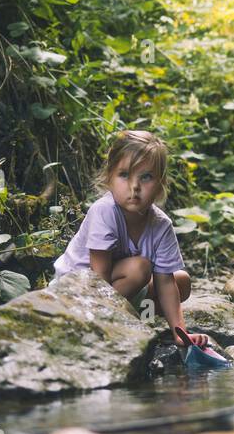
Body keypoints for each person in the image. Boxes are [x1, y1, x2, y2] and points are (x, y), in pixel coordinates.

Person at [53, 130, 208, 347]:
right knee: (140, 267)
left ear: (160, 184)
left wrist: (180, 333)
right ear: (109, 177)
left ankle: (131, 313)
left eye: (146, 177)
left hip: (122, 288)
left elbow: (164, 281)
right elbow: (99, 278)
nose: (134, 187)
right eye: (124, 175)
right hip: (79, 289)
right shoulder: (104, 211)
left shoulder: (161, 225)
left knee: (180, 281)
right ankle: (104, 319)